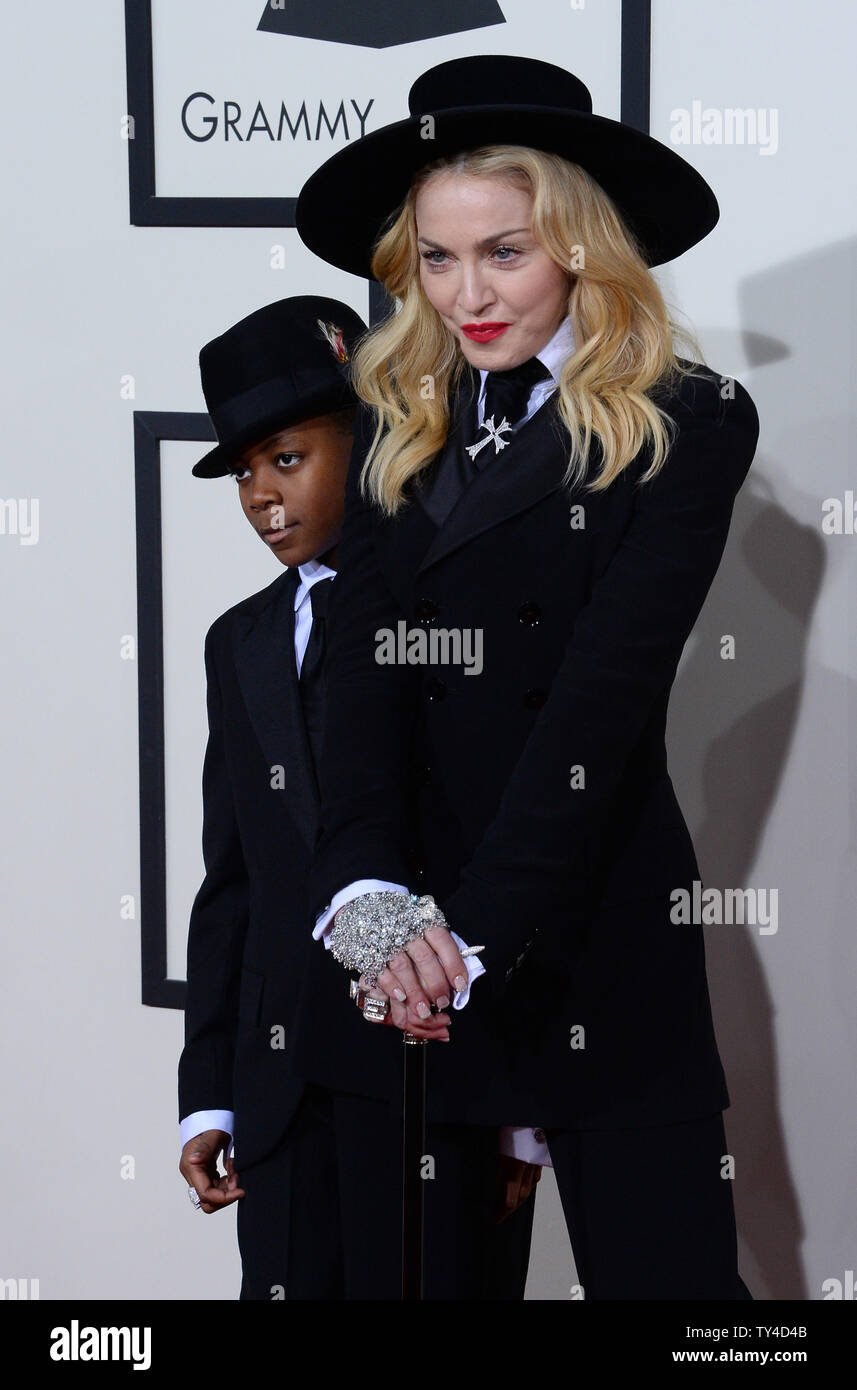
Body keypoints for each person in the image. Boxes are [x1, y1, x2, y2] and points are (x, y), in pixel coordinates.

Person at [293, 54, 761, 1300]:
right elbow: (359, 680)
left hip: (591, 934)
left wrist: (469, 935)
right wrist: (375, 905)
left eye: (502, 252)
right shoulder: (395, 414)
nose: (465, 294)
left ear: (579, 247)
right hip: (405, 976)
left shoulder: (689, 418)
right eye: (435, 260)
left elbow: (599, 704)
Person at [176, 294, 537, 1300]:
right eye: (242, 472)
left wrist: (517, 1109)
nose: (260, 495)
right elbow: (233, 881)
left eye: (286, 458)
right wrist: (208, 1096)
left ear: (370, 440)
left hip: (441, 1088)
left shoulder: (458, 606)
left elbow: (512, 849)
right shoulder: (237, 641)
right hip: (284, 1099)